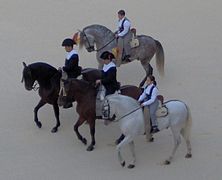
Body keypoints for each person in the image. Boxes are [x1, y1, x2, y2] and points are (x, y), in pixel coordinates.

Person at [60, 38, 81, 108]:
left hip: (73, 73)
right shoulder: (69, 54)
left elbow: (71, 67)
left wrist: (63, 68)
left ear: (70, 47)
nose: (65, 48)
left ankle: (68, 101)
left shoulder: (74, 55)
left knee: (67, 85)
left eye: (66, 47)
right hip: (68, 71)